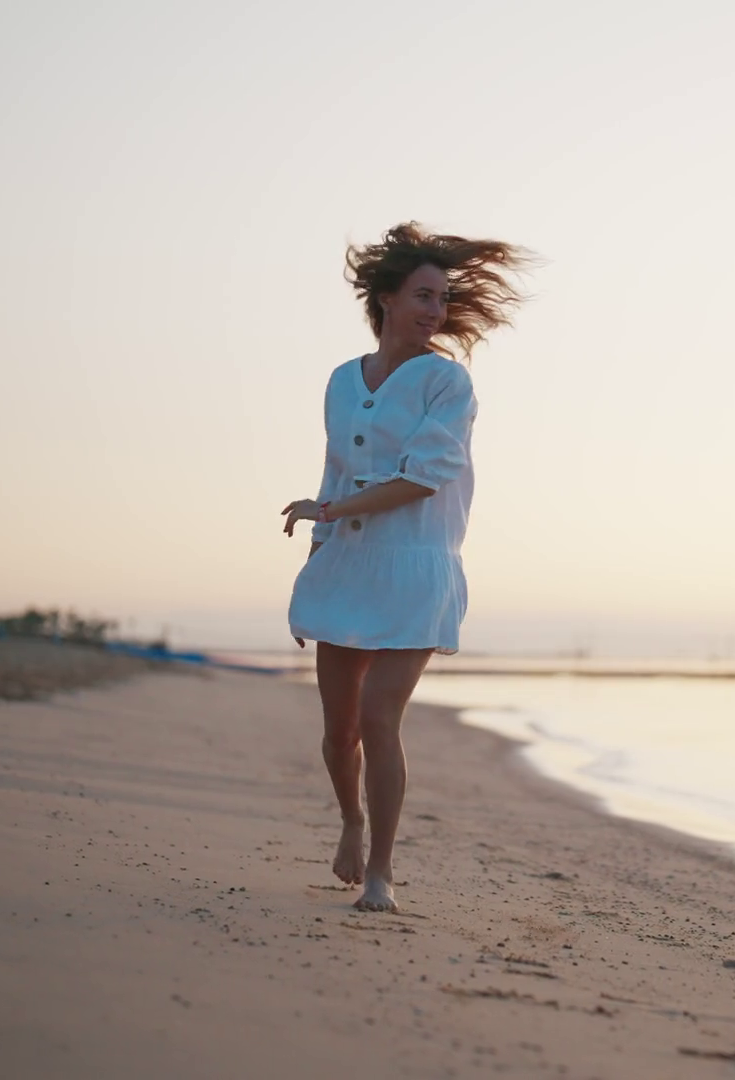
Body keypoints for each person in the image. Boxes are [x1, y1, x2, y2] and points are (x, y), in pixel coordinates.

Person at [281, 222, 530, 912]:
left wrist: (329, 511)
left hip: (418, 568)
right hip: (348, 566)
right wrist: (318, 565)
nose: (434, 311)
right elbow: (336, 470)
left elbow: (424, 478)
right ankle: (352, 822)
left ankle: (381, 874)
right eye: (423, 295)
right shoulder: (341, 380)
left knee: (377, 717)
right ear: (386, 297)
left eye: (443, 299)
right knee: (338, 733)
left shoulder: (447, 382)